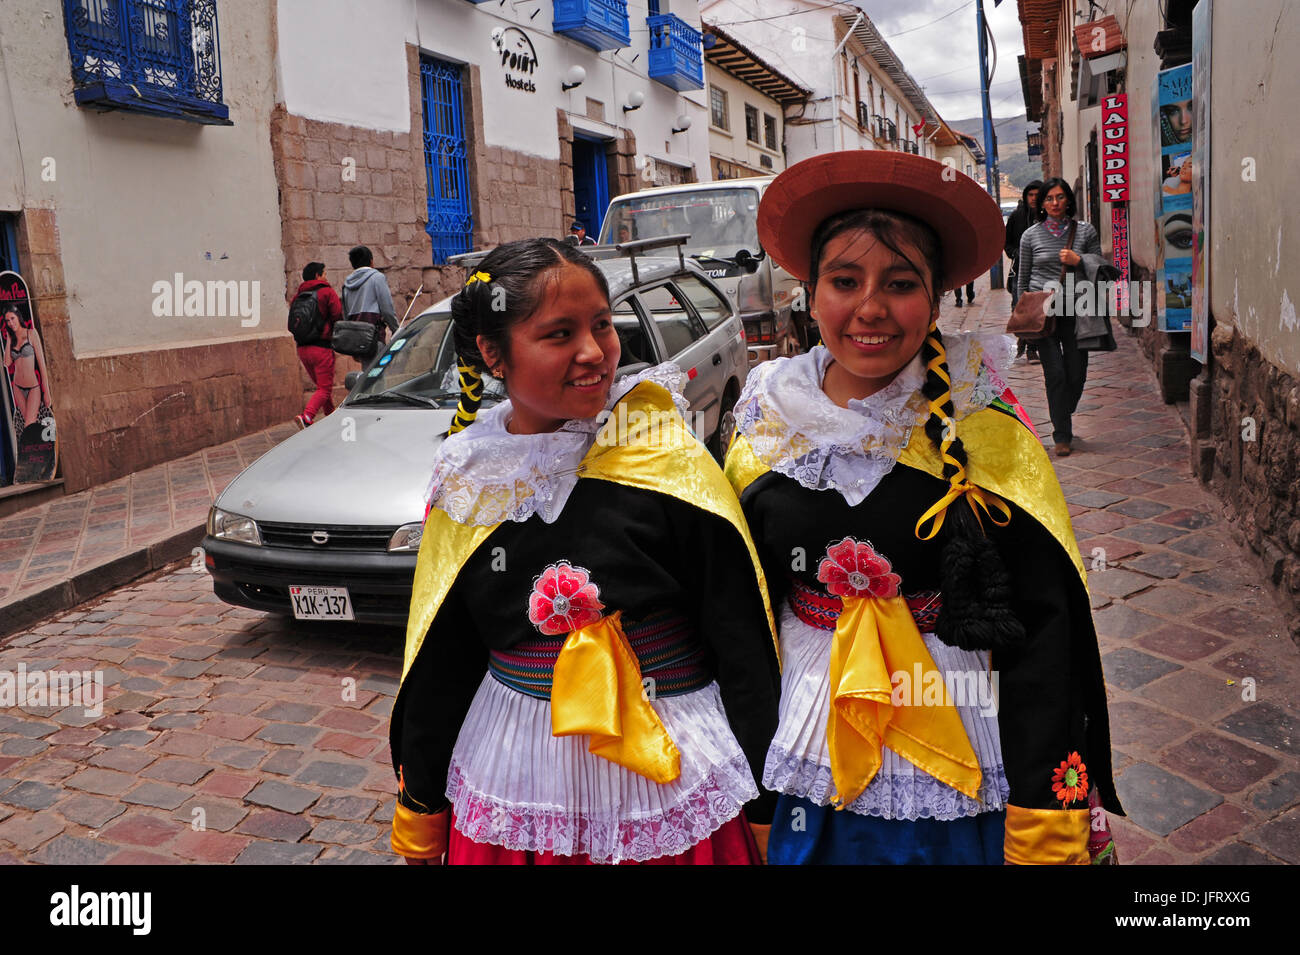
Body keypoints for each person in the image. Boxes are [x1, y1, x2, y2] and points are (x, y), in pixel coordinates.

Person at [723, 151, 1120, 865]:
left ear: (935, 299)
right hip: (810, 746)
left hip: (965, 747)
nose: (870, 308)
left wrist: (1042, 810)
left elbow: (1042, 630)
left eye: (900, 284)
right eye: (845, 281)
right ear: (810, 294)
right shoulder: (767, 424)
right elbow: (737, 620)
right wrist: (750, 789)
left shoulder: (984, 427)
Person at [389, 237, 781, 865]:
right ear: (493, 353)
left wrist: (766, 804)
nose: (594, 352)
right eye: (559, 334)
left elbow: (740, 637)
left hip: (669, 776)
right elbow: (443, 657)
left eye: (603, 324)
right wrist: (423, 807)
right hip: (517, 772)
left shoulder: (663, 460)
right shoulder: (471, 485)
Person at [1017, 177, 1103, 457]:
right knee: (1055, 373)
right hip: (1044, 313)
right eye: (1049, 199)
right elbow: (1024, 276)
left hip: (1078, 311)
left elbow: (1101, 268)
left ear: (1069, 200)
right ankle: (1061, 434)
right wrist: (1022, 310)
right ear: (1041, 204)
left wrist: (1080, 261)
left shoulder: (1085, 231)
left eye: (1060, 197)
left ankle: (1063, 409)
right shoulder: (1030, 235)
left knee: (1076, 373)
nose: (1055, 203)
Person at [289, 262, 343, 429]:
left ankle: (330, 414)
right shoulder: (326, 292)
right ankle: (307, 416)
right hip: (321, 347)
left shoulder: (297, 297)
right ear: (318, 276)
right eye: (324, 274)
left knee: (322, 387)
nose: (326, 277)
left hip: (303, 349)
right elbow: (337, 314)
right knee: (325, 388)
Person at [1005, 180, 1044, 362]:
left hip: (1041, 273)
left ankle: (1031, 348)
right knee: (1019, 307)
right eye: (1031, 195)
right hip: (1020, 271)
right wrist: (1015, 252)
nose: (1034, 198)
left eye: (1038, 194)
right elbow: (1007, 242)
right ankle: (1024, 337)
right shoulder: (1016, 217)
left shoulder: (1048, 217)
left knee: (1036, 309)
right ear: (1025, 196)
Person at [340, 245, 397, 363]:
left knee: (367, 371)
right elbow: (387, 309)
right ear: (371, 261)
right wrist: (395, 329)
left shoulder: (346, 285)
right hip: (374, 335)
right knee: (377, 374)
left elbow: (345, 313)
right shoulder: (377, 278)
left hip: (357, 337)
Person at [2, 305, 53, 428]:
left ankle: (40, 443)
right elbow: (7, 363)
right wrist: (9, 340)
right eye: (7, 320)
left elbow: (41, 365)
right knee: (28, 425)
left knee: (29, 423)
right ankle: (36, 445)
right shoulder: (12, 340)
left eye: (12, 318)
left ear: (18, 317)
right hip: (18, 387)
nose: (10, 323)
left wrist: (46, 392)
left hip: (33, 387)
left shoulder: (31, 334)